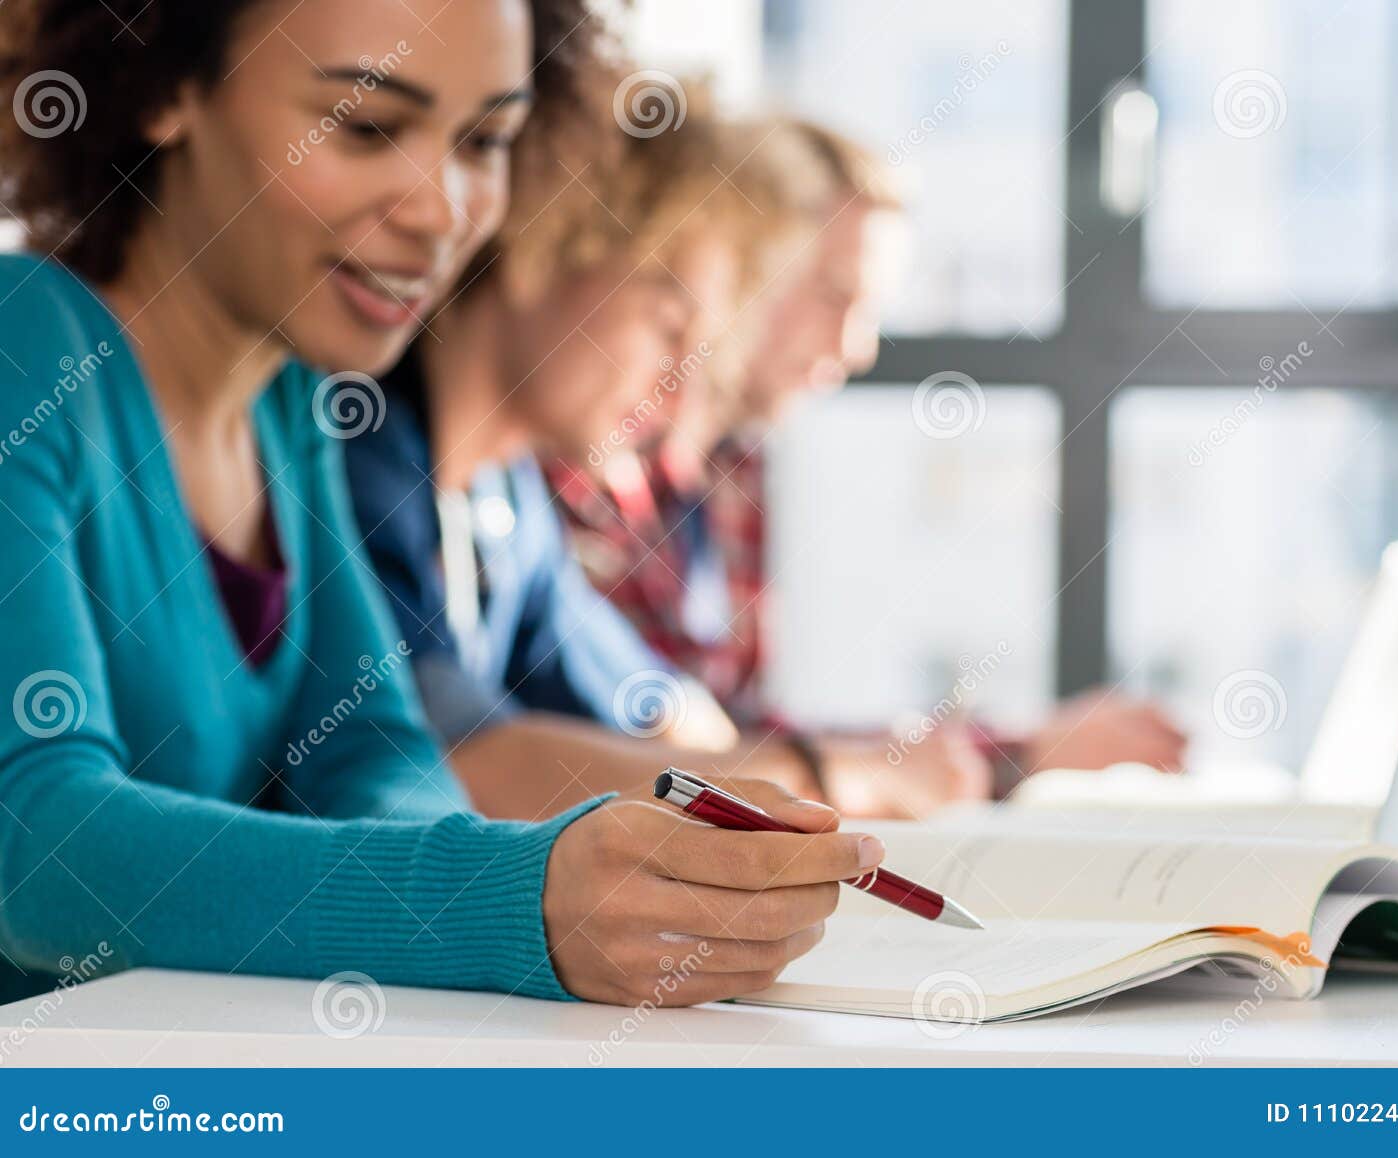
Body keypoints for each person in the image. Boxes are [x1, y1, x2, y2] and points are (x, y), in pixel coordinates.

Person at [0, 0, 874, 1012]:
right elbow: (40, 851)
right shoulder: (27, 354)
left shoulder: (293, 407)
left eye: (484, 141)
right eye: (368, 127)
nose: (441, 208)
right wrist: (511, 897)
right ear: (165, 91)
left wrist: (557, 876)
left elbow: (371, 751)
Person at [348, 84, 991, 822]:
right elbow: (466, 765)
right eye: (668, 325)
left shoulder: (506, 505)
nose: (681, 399)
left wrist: (774, 766)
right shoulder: (365, 459)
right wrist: (825, 775)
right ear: (553, 241)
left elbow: (659, 709)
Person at [555, 117, 1192, 787]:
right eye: (835, 296)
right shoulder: (585, 454)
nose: (856, 348)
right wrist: (1010, 758)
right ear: (742, 270)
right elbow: (669, 765)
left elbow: (738, 736)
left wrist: (1012, 753)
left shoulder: (734, 470)